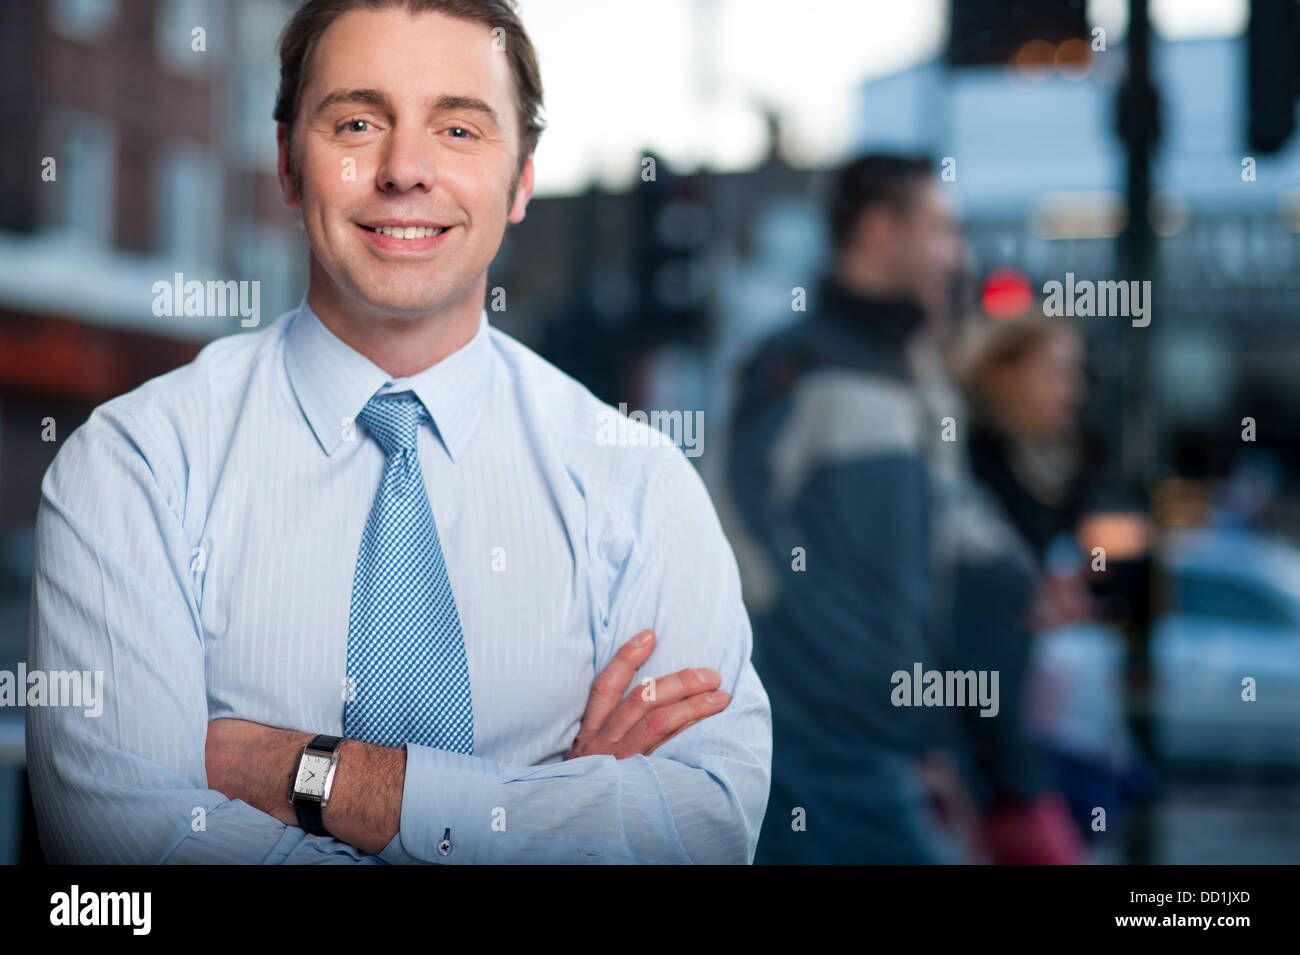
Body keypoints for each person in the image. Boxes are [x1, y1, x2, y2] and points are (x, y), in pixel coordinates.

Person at [26, 0, 770, 864]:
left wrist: (296, 772)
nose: (404, 169)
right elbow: (127, 853)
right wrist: (555, 811)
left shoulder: (640, 486)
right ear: (288, 163)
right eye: (356, 122)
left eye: (458, 129)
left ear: (522, 177)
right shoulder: (134, 466)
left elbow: (706, 827)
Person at [719, 153, 1071, 863]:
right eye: (942, 230)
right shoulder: (795, 364)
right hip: (813, 744)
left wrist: (1022, 581)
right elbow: (725, 524)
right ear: (881, 230)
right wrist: (821, 648)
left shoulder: (918, 375)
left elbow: (947, 522)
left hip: (891, 736)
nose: (958, 255)